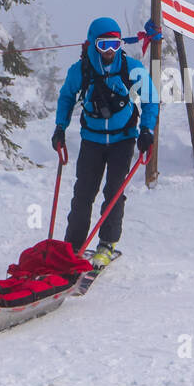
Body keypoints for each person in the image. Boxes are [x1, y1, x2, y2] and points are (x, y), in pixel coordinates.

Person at [52, 16, 159, 266]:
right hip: (92, 139)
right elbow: (66, 98)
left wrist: (147, 131)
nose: (110, 51)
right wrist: (60, 127)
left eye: (115, 45)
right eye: (104, 45)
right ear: (93, 44)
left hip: (123, 139)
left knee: (114, 192)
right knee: (83, 193)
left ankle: (107, 244)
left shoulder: (131, 68)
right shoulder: (81, 70)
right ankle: (73, 246)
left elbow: (150, 99)